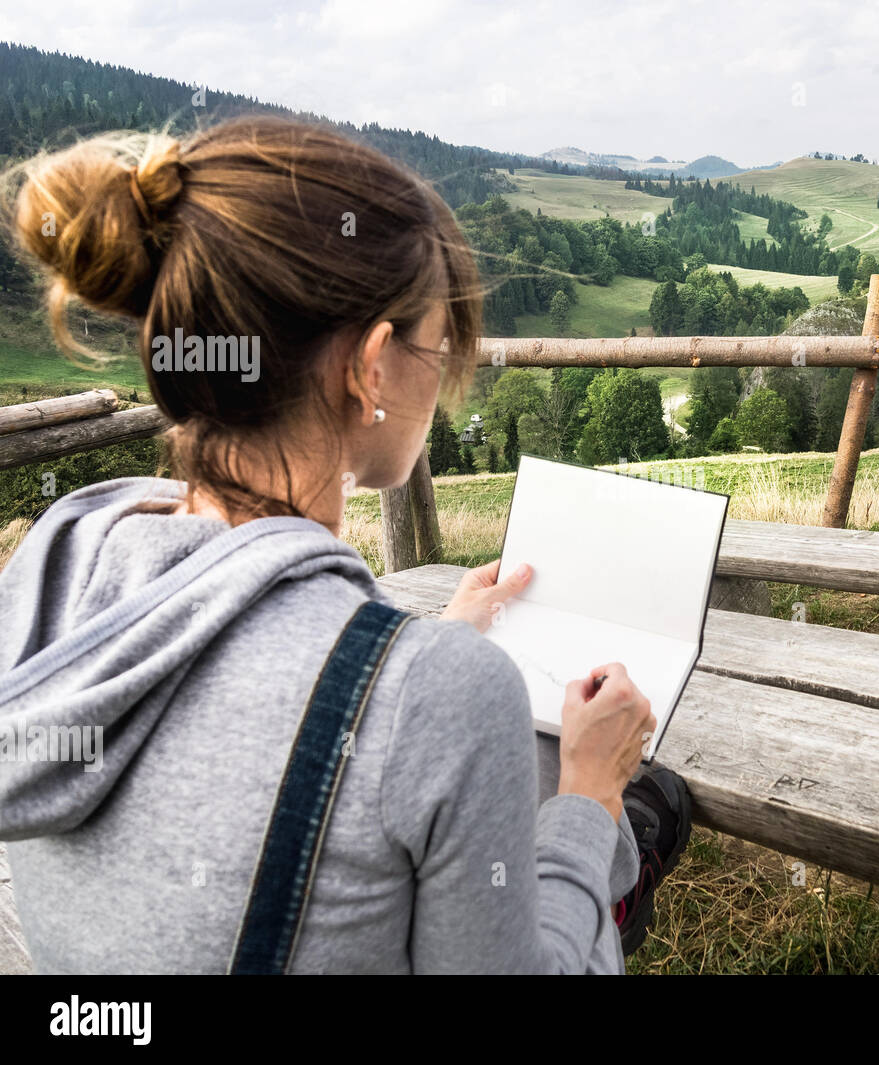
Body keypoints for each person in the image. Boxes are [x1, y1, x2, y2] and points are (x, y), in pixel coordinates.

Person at [0, 115, 691, 973]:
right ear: (371, 366)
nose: (440, 378)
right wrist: (591, 791)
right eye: (437, 348)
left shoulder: (64, 556)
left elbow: (235, 684)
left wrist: (415, 650)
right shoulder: (447, 696)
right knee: (623, 809)